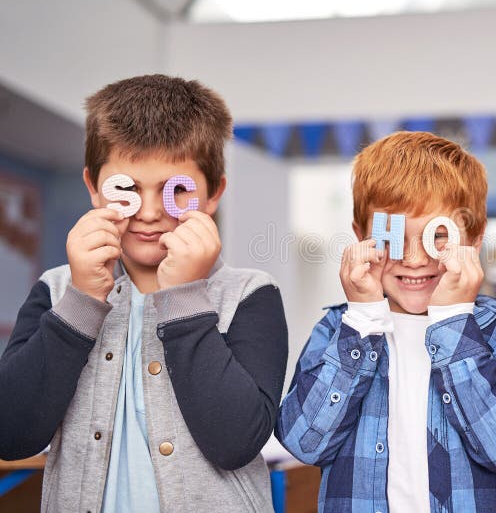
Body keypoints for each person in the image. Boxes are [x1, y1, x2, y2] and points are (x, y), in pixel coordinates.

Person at [0, 74, 288, 512]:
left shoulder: (250, 296)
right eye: (126, 190)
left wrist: (186, 297)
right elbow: (12, 433)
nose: (150, 213)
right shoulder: (56, 291)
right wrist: (81, 301)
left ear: (214, 194)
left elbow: (235, 443)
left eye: (176, 192)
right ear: (94, 187)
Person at [277, 131, 496, 512]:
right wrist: (362, 318)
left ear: (475, 239)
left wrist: (452, 318)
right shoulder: (339, 329)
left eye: (436, 238)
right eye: (392, 238)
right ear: (362, 236)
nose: (414, 260)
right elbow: (303, 443)